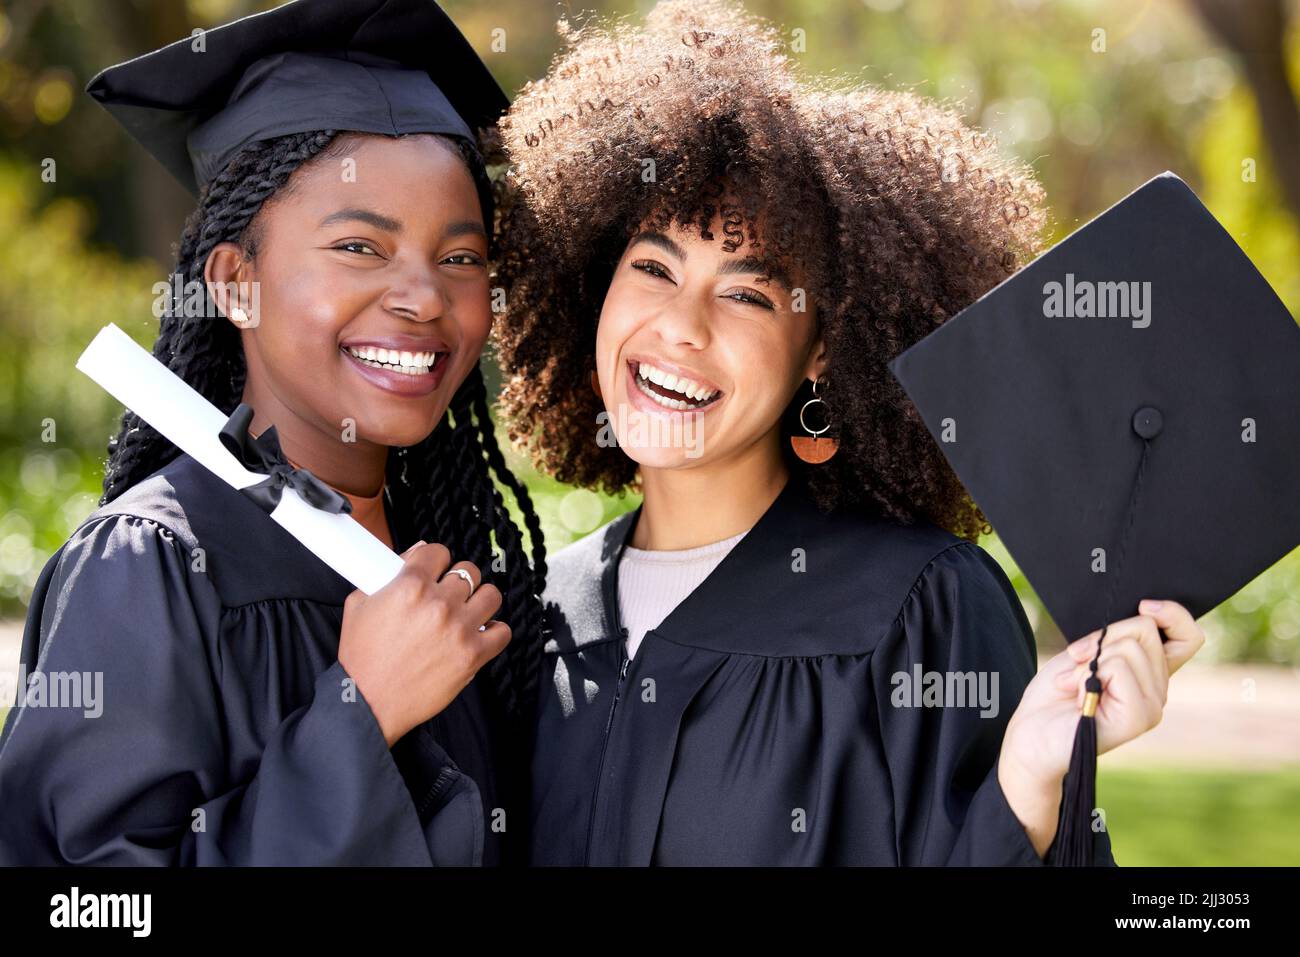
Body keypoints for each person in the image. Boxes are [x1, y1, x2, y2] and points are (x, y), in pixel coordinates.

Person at [492, 0, 1206, 865]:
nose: (681, 326)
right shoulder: (530, 614)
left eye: (749, 293)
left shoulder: (917, 607)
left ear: (823, 350)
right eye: (653, 267)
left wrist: (1029, 788)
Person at [0, 0, 546, 866]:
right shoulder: (148, 568)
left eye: (461, 257)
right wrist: (357, 716)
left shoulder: (458, 575)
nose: (425, 297)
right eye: (361, 248)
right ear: (234, 281)